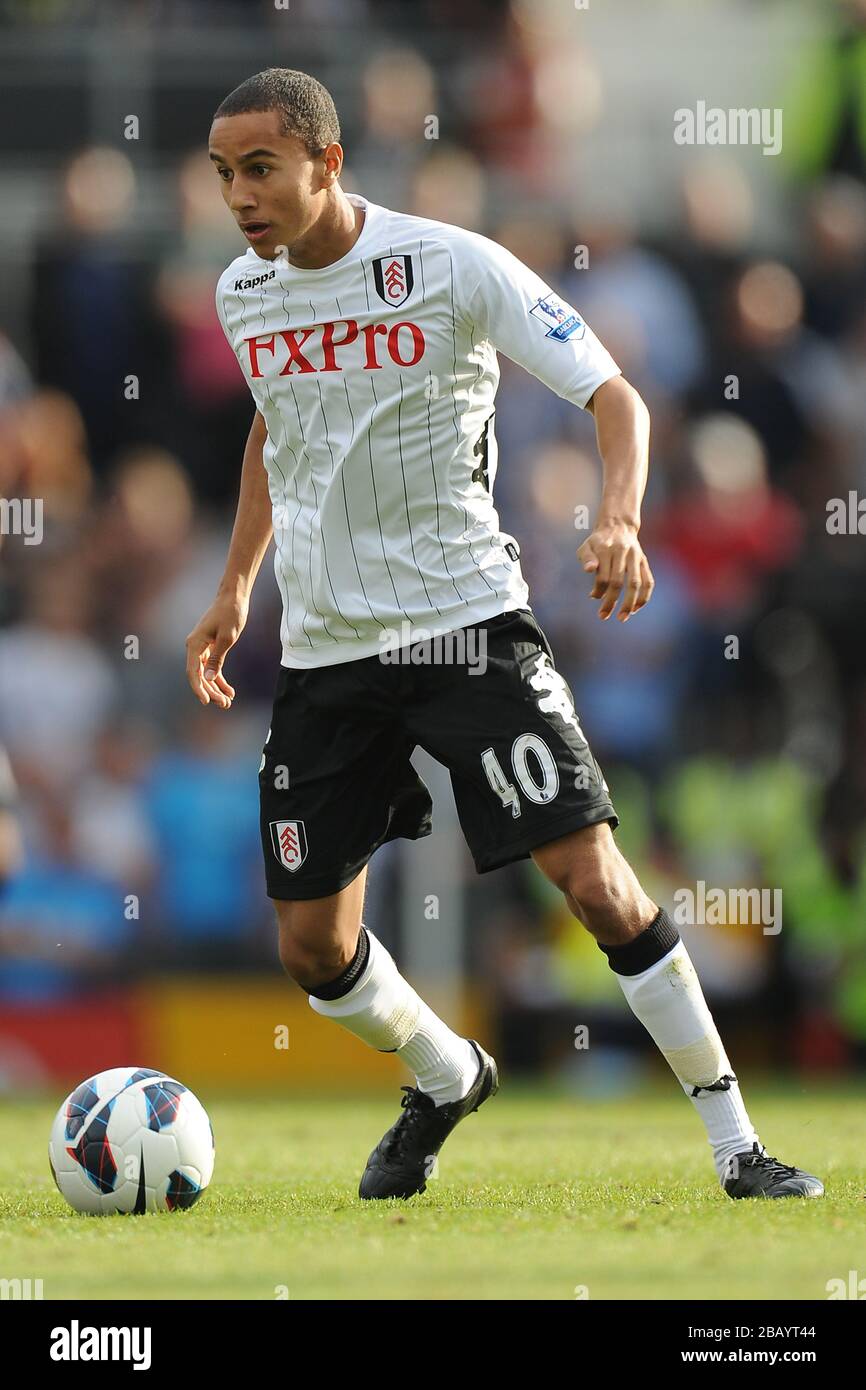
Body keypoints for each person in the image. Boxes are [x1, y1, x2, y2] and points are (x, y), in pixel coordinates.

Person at [186, 68, 822, 1202]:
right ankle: (444, 1073)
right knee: (311, 951)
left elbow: (612, 395)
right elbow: (275, 429)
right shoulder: (245, 291)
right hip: (329, 653)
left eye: (259, 168)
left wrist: (618, 517)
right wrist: (237, 584)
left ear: (327, 164)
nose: (238, 195)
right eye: (224, 173)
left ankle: (737, 1146)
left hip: (465, 625)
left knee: (588, 874)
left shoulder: (448, 264)